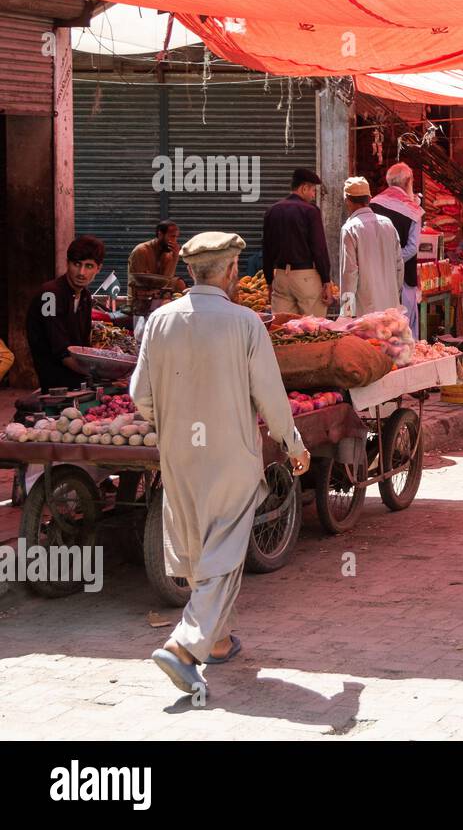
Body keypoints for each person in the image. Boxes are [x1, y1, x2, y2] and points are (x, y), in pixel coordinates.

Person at [133, 232, 309, 696]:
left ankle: (219, 640)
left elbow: (139, 396)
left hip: (177, 451)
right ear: (232, 271)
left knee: (197, 544)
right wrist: (292, 444)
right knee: (225, 552)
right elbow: (270, 396)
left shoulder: (160, 320)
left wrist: (170, 420)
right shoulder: (244, 322)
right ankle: (184, 648)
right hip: (230, 452)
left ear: (191, 271)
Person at [26, 235, 103, 391]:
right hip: (55, 383)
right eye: (77, 264)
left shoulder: (86, 297)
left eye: (89, 266)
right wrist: (98, 373)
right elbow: (60, 350)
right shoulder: (50, 294)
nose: (81, 272)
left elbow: (83, 345)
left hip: (78, 380)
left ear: (98, 268)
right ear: (67, 263)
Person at [262, 168, 333, 317]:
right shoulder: (310, 211)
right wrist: (326, 280)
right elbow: (319, 249)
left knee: (282, 329)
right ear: (304, 188)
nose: (314, 195)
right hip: (306, 277)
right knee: (313, 329)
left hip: (281, 276)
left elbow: (267, 250)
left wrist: (269, 280)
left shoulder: (272, 211)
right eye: (313, 190)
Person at [370, 162, 426, 331]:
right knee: (404, 329)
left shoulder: (373, 204)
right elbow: (411, 248)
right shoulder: (413, 210)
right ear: (408, 181)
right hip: (403, 281)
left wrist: (381, 262)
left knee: (380, 327)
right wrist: (393, 261)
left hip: (375, 276)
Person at [338, 176, 403, 317]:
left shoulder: (350, 228)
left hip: (365, 312)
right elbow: (399, 266)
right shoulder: (388, 224)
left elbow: (349, 274)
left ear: (347, 201)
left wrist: (347, 314)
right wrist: (394, 296)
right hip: (391, 309)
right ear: (369, 199)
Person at [128, 221, 185, 306]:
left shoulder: (168, 254)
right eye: (172, 236)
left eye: (176, 237)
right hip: (141, 300)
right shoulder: (141, 251)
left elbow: (167, 281)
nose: (174, 241)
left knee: (180, 284)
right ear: (160, 234)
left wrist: (175, 257)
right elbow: (140, 282)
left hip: (159, 297)